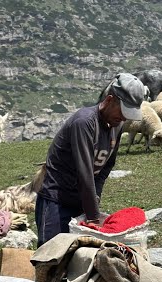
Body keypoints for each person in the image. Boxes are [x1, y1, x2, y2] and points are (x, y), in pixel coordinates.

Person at [35, 73, 146, 247]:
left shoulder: (116, 126)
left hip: (81, 201)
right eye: (122, 111)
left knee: (76, 254)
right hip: (57, 200)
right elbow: (85, 173)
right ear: (109, 100)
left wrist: (95, 199)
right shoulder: (84, 122)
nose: (124, 118)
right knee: (51, 252)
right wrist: (93, 217)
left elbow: (106, 167)